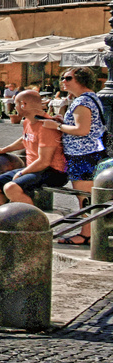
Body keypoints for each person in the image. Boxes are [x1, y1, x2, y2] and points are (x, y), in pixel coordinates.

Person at [0, 89, 68, 213]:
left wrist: (22, 173)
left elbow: (44, 161)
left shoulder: (46, 126)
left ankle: (36, 224)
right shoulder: (28, 121)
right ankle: (14, 216)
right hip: (34, 169)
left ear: (23, 104)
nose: (14, 107)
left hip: (53, 171)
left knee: (11, 188)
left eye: (16, 104)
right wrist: (3, 150)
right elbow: (25, 139)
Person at [53, 68, 109, 242]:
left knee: (84, 197)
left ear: (81, 80)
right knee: (87, 196)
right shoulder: (91, 98)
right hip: (88, 154)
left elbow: (82, 130)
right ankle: (89, 233)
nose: (63, 81)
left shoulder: (82, 101)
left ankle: (86, 235)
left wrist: (57, 127)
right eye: (62, 77)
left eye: (68, 78)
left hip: (83, 155)